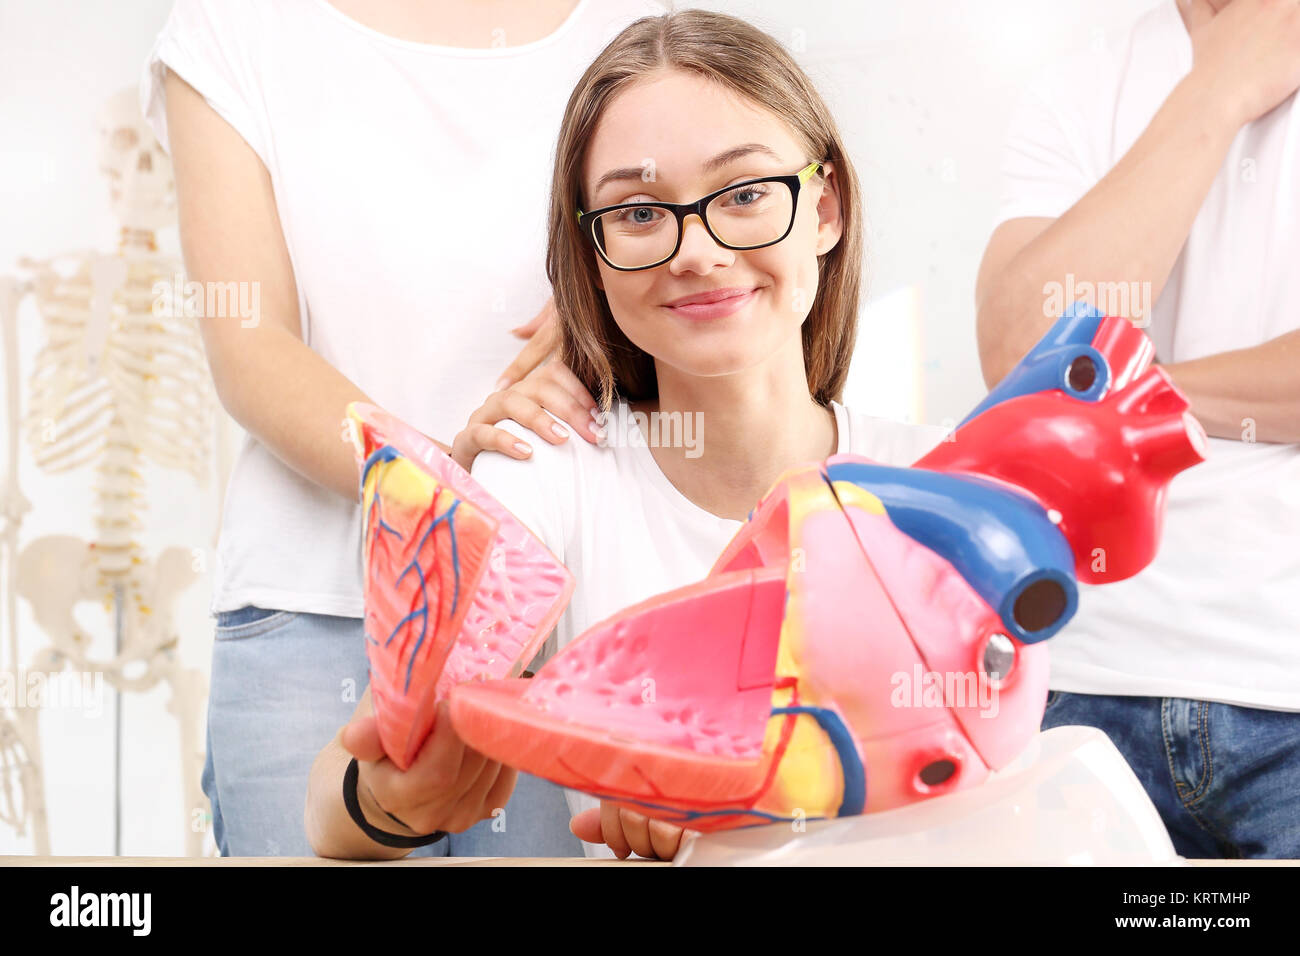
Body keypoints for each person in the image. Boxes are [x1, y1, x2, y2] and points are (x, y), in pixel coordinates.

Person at [306, 8, 950, 861]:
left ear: (824, 208)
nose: (698, 251)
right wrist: (392, 799)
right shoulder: (547, 479)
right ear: (594, 254)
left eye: (747, 194)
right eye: (639, 212)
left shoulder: (938, 482)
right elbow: (332, 812)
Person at [142, 0, 662, 858]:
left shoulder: (636, 20)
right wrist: (449, 484)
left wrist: (604, 314)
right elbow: (250, 346)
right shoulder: (232, 28)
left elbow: (694, 264)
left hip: (565, 612)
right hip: (313, 609)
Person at [977, 0, 1300, 857]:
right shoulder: (1079, 85)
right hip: (1080, 694)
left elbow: (1052, 383)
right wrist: (1220, 87)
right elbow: (1020, 359)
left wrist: (1114, 393)